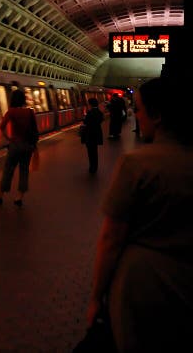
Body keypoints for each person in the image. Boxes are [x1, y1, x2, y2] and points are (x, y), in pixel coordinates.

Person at [85, 77, 193, 351]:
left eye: (141, 110)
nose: (137, 117)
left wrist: (96, 296)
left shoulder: (136, 164)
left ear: (157, 116)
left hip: (143, 284)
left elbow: (111, 239)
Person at [0, 89, 38, 207]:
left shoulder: (11, 112)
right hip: (28, 145)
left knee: (8, 170)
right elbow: (35, 130)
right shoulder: (30, 112)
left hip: (15, 145)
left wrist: (8, 139)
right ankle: (19, 197)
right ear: (23, 99)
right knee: (24, 171)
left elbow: (2, 127)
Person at [82, 98, 104, 173]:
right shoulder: (99, 112)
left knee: (91, 152)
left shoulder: (90, 113)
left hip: (90, 135)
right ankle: (95, 167)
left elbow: (86, 122)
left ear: (90, 104)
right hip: (96, 134)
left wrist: (85, 115)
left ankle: (92, 168)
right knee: (95, 152)